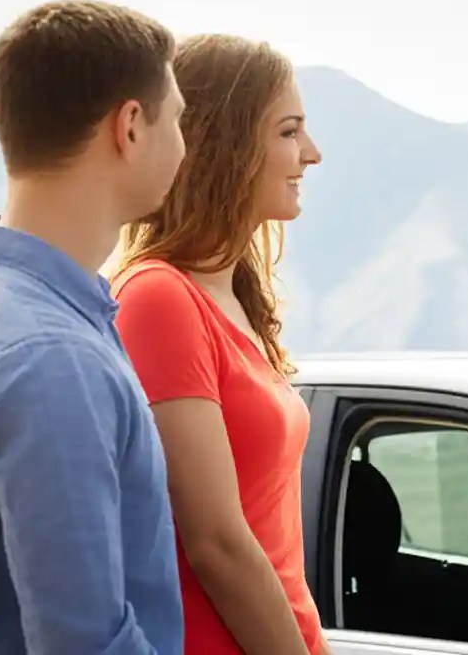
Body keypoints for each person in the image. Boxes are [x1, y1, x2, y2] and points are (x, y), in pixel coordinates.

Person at [109, 33, 327, 654]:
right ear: (222, 145)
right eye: (288, 132)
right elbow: (217, 544)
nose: (312, 154)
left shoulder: (231, 297)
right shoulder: (158, 298)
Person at [0, 0, 186, 653]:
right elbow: (84, 642)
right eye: (178, 120)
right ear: (129, 126)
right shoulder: (51, 357)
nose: (184, 147)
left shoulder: (25, 313)